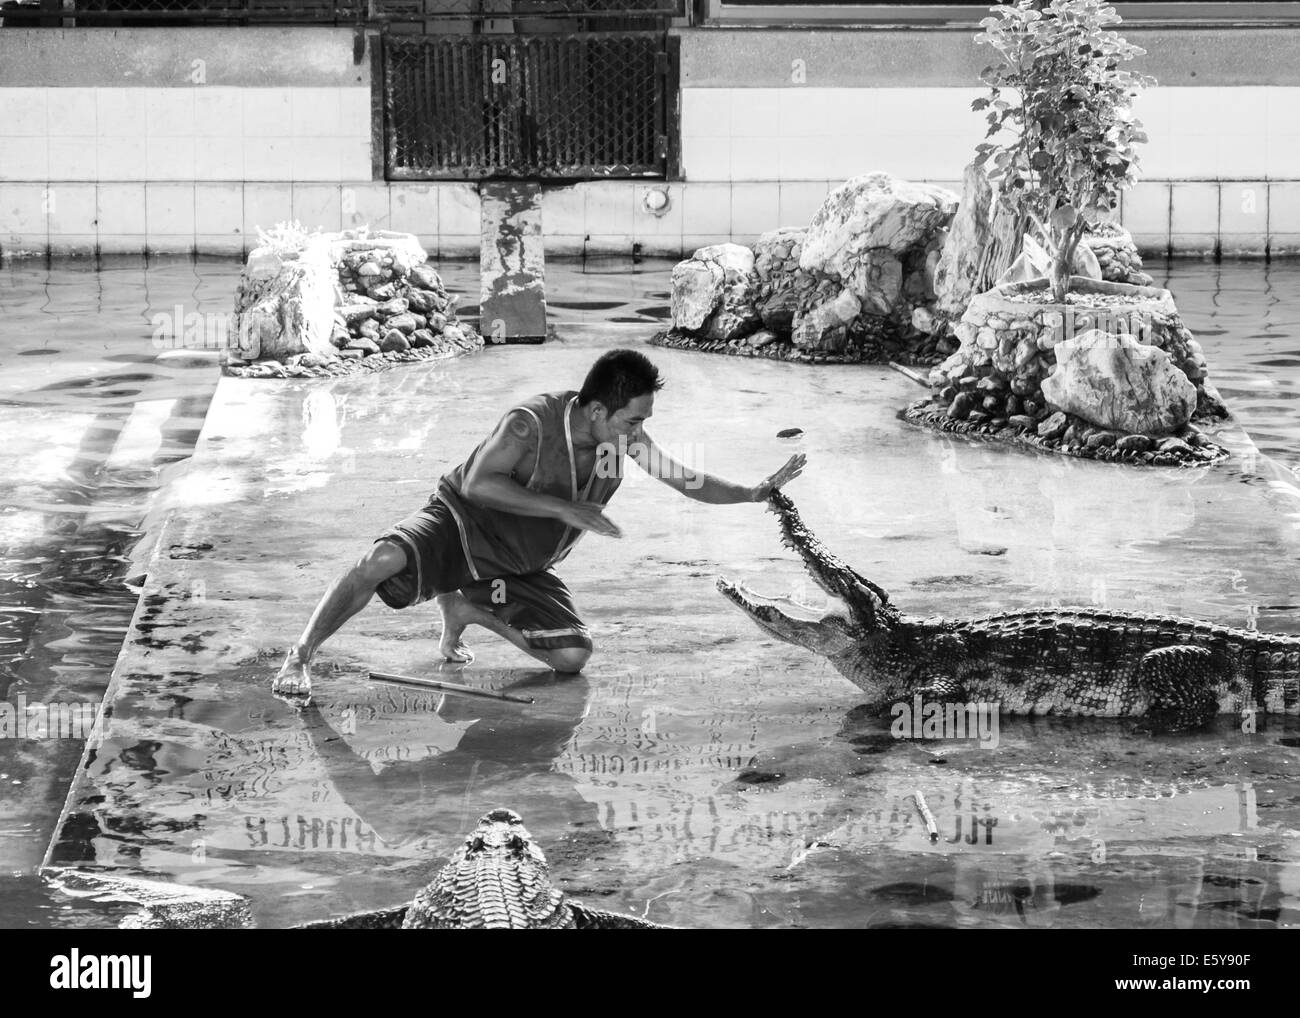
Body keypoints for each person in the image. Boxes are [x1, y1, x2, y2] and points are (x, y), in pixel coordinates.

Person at [272, 349, 804, 704]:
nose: (639, 432)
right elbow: (480, 484)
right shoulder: (529, 423)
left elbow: (687, 481)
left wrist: (754, 492)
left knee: (572, 658)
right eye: (632, 420)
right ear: (597, 411)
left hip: (519, 560)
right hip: (462, 520)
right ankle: (301, 656)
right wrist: (564, 509)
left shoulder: (624, 440)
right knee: (381, 561)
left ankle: (467, 606)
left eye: (643, 422)